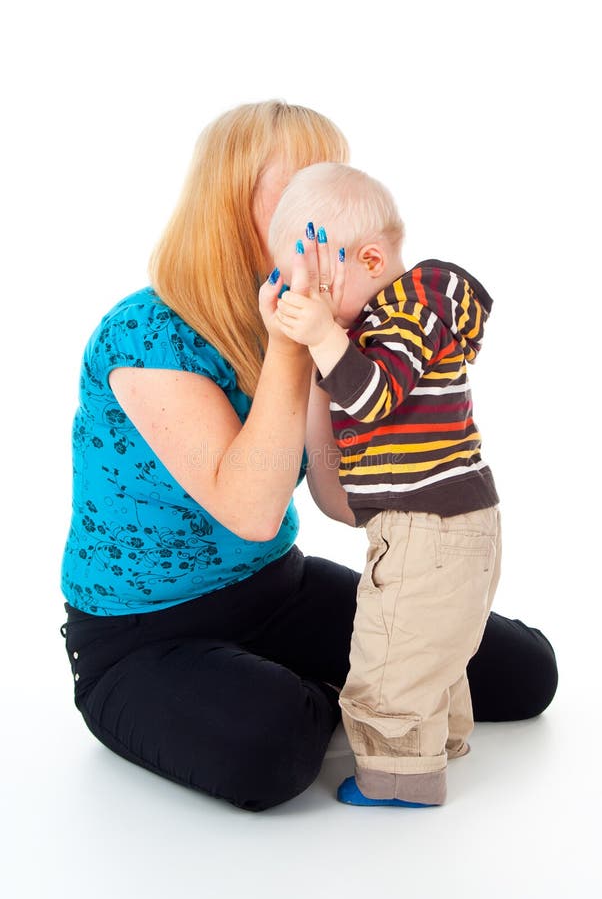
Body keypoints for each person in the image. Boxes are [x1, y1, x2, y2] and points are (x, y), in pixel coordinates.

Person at [60, 101, 558, 813]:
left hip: (276, 591)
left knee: (524, 675)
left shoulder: (328, 318)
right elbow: (254, 512)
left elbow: (336, 500)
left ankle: (322, 687)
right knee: (274, 747)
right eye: (301, 184)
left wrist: (375, 379)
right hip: (142, 637)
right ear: (233, 202)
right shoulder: (145, 335)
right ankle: (310, 696)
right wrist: (293, 344)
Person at [270, 162, 503, 806]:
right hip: (449, 522)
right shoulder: (392, 321)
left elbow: (374, 398)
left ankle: (399, 780)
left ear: (369, 257)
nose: (304, 298)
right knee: (434, 643)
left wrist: (320, 335)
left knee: (389, 655)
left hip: (426, 528)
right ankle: (439, 743)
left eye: (316, 282)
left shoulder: (409, 312)